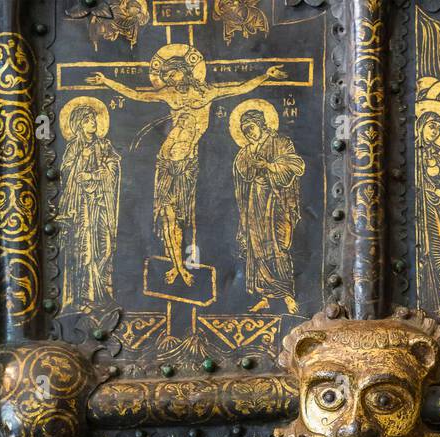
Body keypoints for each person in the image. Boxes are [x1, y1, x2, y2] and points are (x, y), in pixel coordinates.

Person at [90, 49, 286, 288]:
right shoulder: (169, 95)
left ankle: (181, 263)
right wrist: (107, 81)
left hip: (186, 165)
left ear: (184, 70)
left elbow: (240, 88)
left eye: (172, 74)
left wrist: (265, 76)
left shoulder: (208, 93)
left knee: (182, 217)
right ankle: (177, 265)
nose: (170, 80)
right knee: (166, 216)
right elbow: (136, 94)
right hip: (165, 161)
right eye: (166, 77)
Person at [233, 107, 304, 313]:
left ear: (262, 124)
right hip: (255, 201)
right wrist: (251, 161)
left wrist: (269, 165)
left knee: (277, 246)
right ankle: (265, 296)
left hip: (276, 202)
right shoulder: (246, 151)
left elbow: (296, 165)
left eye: (251, 128)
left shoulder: (280, 142)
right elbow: (243, 174)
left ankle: (288, 295)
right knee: (256, 247)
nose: (249, 134)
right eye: (245, 131)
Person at [59, 100, 121, 311]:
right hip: (82, 206)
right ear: (78, 125)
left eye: (93, 119)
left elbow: (113, 167)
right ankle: (84, 297)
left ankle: (102, 294)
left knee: (105, 246)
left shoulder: (104, 145)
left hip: (101, 203)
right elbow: (68, 173)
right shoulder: (73, 148)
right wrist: (80, 173)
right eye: (87, 120)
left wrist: (94, 174)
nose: (92, 123)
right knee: (85, 250)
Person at [415, 111, 440, 312]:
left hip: (439, 210)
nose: (435, 131)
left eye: (438, 128)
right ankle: (429, 302)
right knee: (426, 253)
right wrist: (433, 190)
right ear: (421, 126)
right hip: (420, 211)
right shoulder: (413, 152)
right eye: (432, 126)